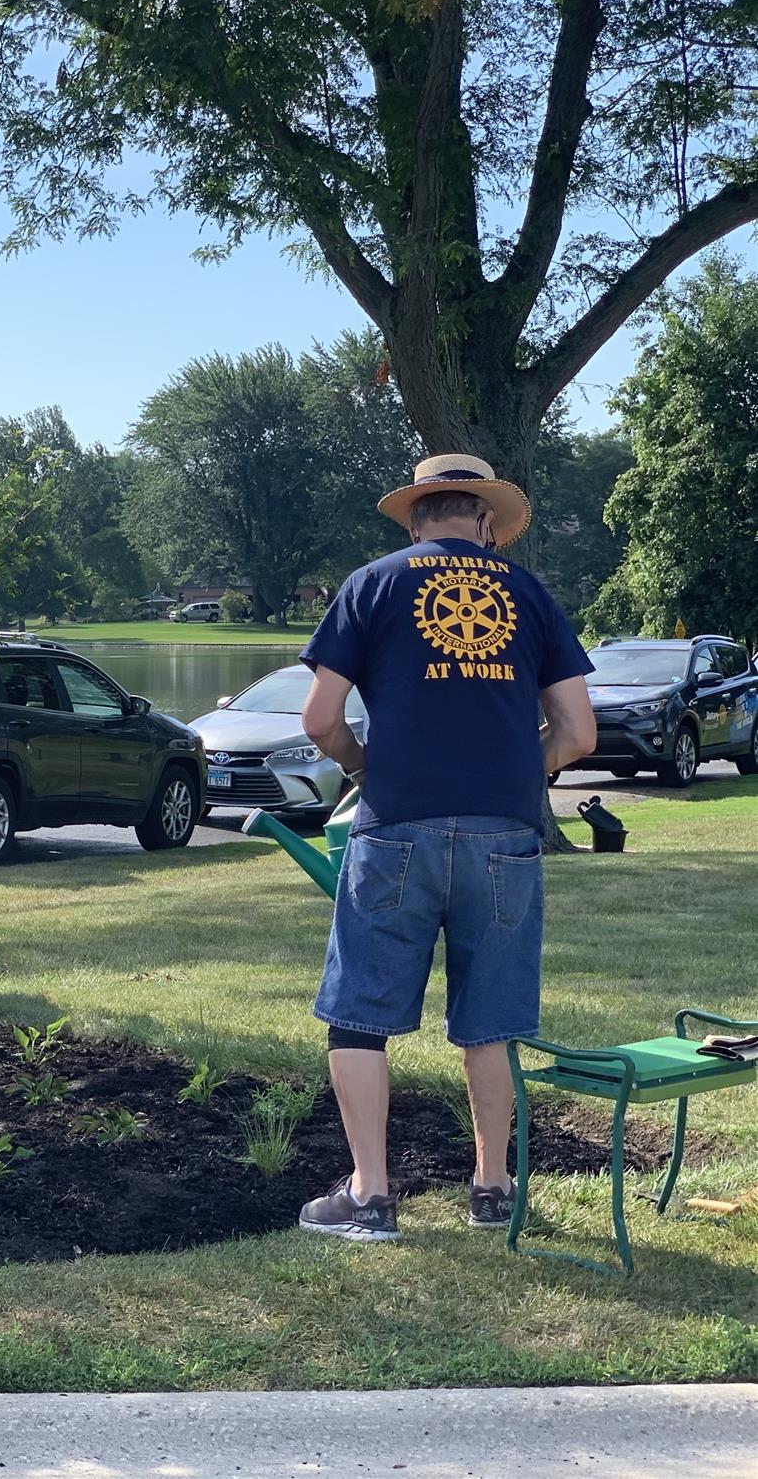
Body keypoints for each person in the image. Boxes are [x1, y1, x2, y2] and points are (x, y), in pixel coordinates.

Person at [295, 453, 596, 1242]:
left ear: (415, 520)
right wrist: (517, 769)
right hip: (506, 834)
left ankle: (370, 1197)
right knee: (490, 1018)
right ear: (487, 521)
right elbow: (579, 732)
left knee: (360, 1014)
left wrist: (364, 766)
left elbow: (319, 719)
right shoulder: (528, 593)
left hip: (396, 824)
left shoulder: (371, 584)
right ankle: (493, 1189)